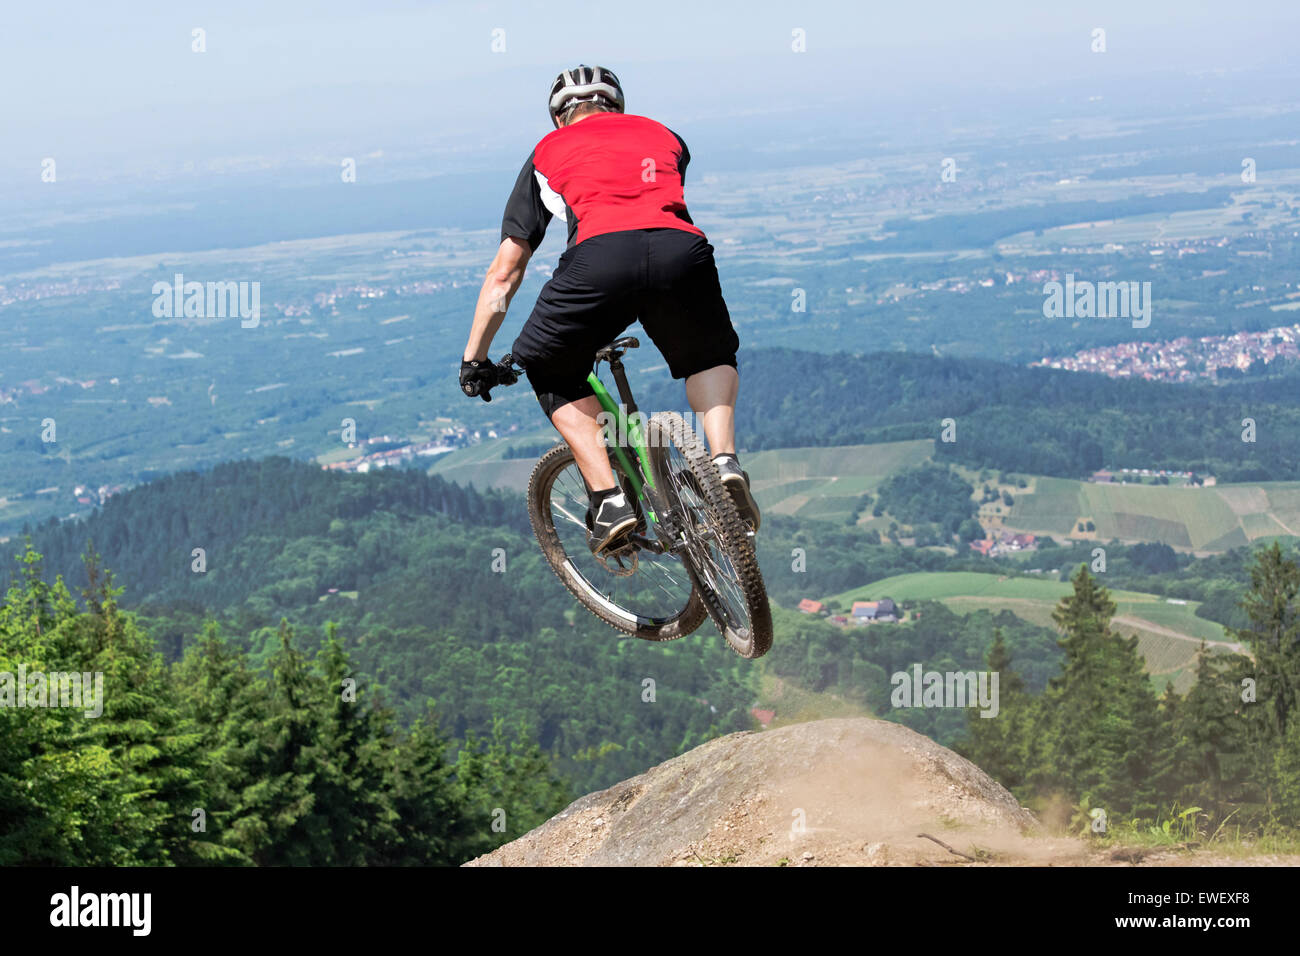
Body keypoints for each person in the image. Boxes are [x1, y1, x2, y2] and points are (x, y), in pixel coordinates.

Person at [459, 64, 759, 552]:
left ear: (559, 117)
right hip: (681, 251)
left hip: (598, 262)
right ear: (616, 105)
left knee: (547, 364)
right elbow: (647, 199)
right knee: (708, 356)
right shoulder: (664, 135)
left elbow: (505, 272)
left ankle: (610, 499)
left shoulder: (546, 152)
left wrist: (475, 359)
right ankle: (724, 461)